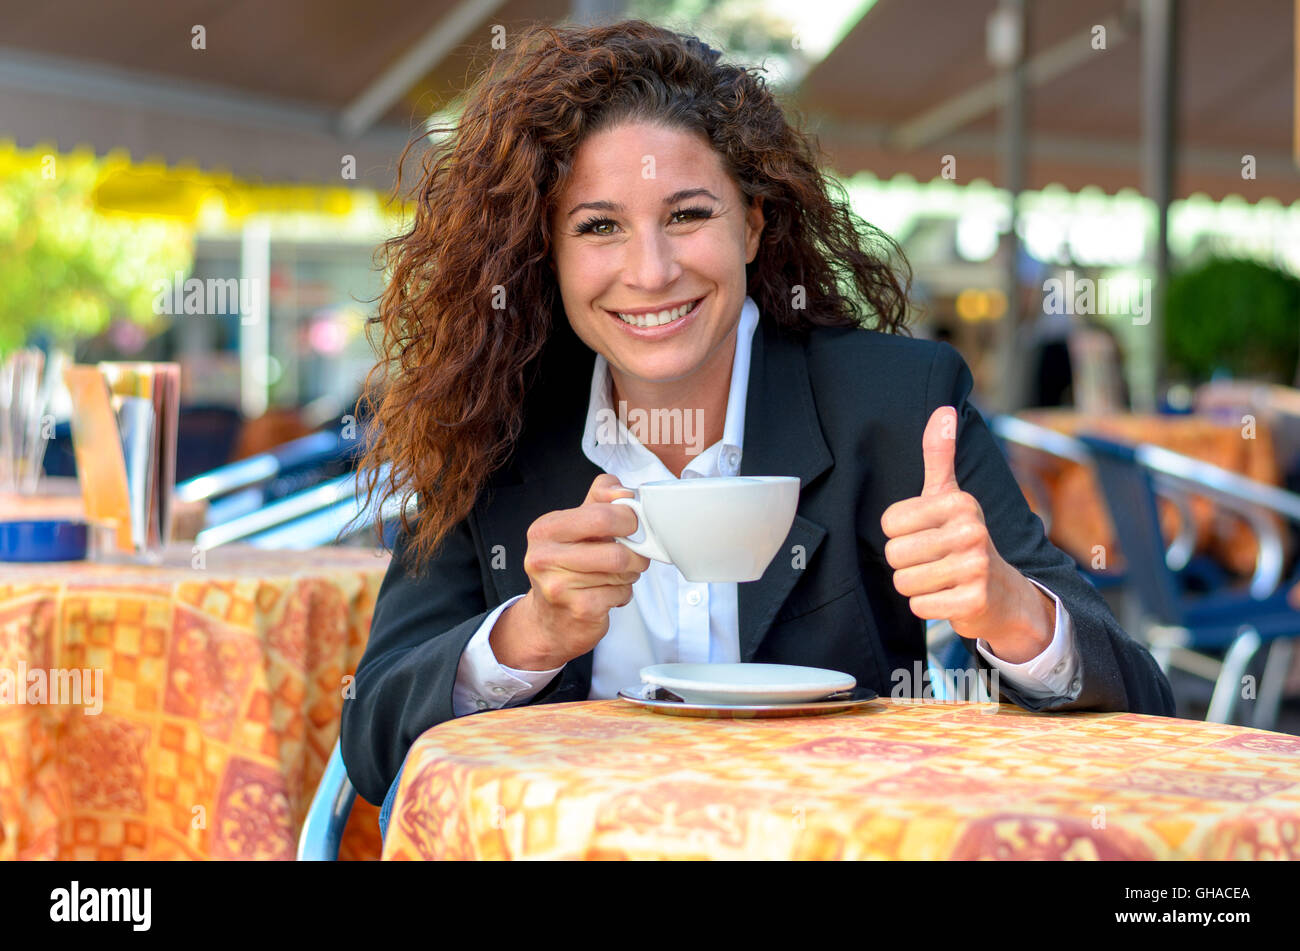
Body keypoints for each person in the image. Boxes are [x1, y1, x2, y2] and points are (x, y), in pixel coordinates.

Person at [340, 19, 1175, 836]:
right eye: (599, 226)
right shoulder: (495, 420)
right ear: (545, 253)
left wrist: (1011, 610)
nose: (651, 270)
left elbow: (1140, 700)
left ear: (754, 224)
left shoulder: (895, 401)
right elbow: (374, 739)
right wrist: (528, 635)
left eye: (688, 214)